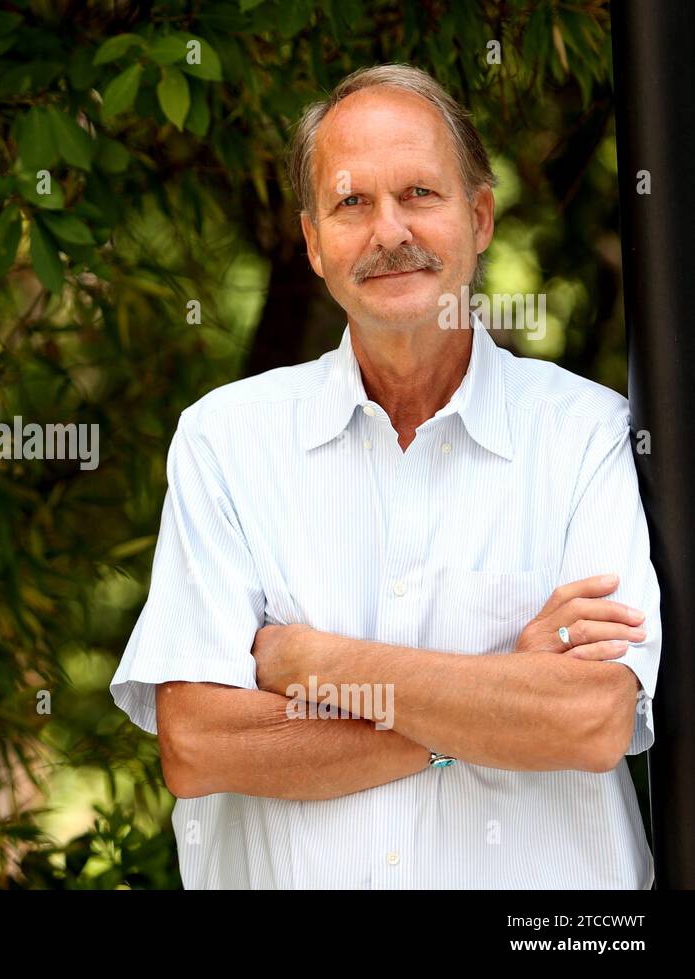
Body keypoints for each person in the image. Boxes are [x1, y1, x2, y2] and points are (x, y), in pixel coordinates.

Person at [109, 63, 660, 889]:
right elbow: (199, 745)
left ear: (479, 218)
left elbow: (589, 716)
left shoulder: (588, 435)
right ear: (312, 242)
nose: (388, 230)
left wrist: (312, 663)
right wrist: (500, 695)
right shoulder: (225, 441)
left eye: (419, 195)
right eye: (351, 202)